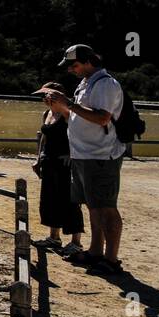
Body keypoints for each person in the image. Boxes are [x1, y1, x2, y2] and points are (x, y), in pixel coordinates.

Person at [46, 44, 125, 274]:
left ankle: (111, 260)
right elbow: (79, 116)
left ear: (88, 61)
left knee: (107, 207)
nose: (71, 70)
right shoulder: (86, 83)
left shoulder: (106, 84)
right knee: (93, 206)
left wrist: (68, 104)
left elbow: (102, 118)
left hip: (101, 155)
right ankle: (94, 252)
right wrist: (61, 108)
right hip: (83, 154)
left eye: (74, 65)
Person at [32, 81, 85, 256]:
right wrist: (38, 158)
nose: (45, 98)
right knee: (49, 199)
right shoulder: (47, 113)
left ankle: (75, 242)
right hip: (49, 160)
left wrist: (72, 154)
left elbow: (80, 135)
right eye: (44, 95)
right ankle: (54, 237)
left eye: (48, 95)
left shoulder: (69, 114)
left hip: (65, 163)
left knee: (70, 201)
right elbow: (43, 138)